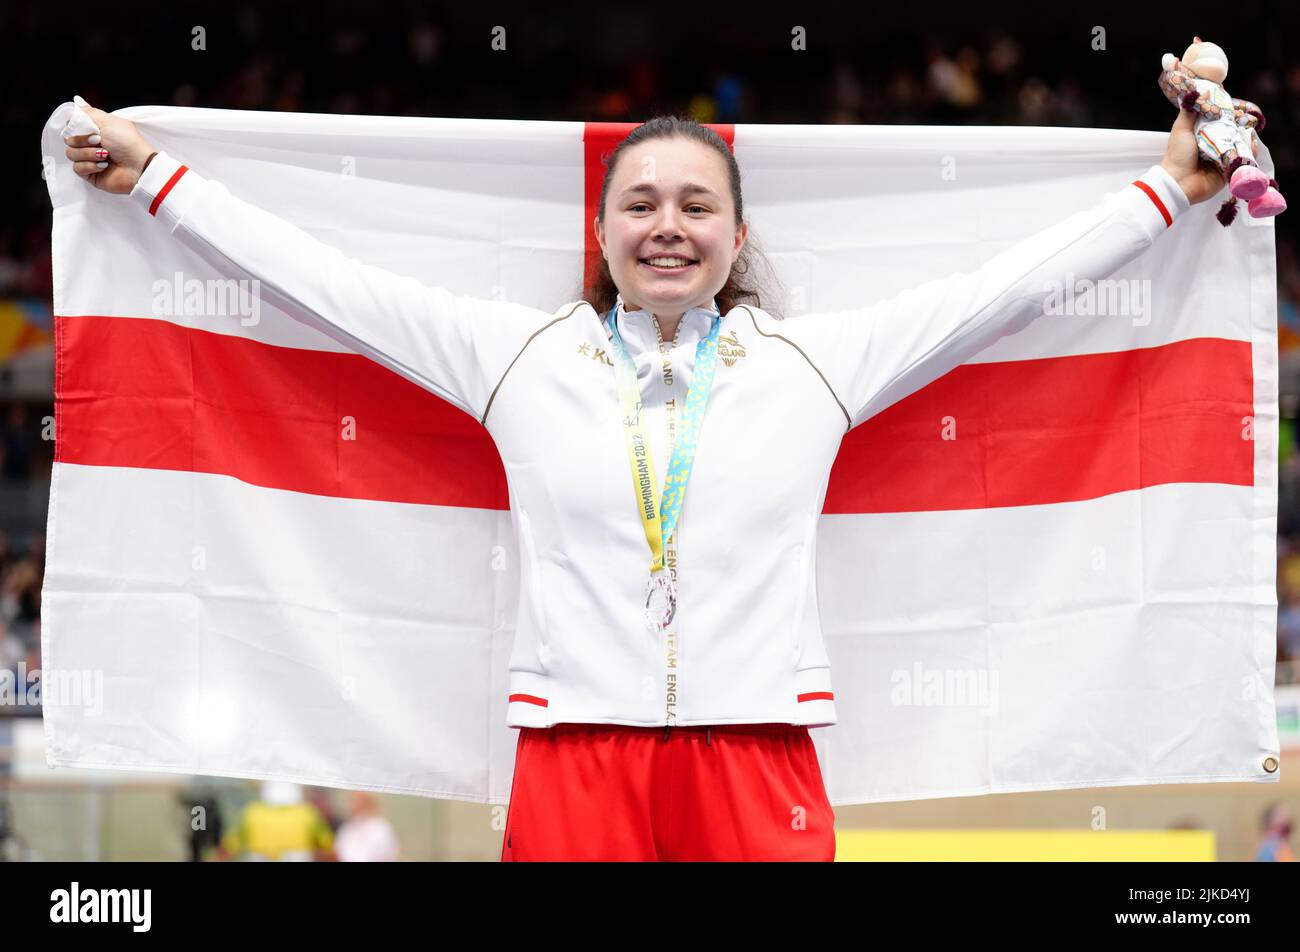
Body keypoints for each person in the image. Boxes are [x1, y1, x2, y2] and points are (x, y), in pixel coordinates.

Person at [66, 96, 1227, 862]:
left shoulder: (815, 365)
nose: (666, 226)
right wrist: (157, 178)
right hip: (574, 750)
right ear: (603, 223)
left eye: (695, 205)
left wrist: (1174, 185)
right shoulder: (514, 356)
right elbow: (325, 280)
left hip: (758, 745)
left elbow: (1005, 289)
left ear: (733, 231)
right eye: (640, 203)